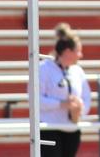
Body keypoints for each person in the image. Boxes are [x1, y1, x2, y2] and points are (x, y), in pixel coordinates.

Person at [39, 23, 91, 157]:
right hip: (49, 128)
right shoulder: (43, 69)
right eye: (78, 51)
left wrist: (79, 109)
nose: (80, 55)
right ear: (67, 51)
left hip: (72, 129)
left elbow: (87, 98)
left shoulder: (78, 71)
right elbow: (36, 100)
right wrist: (62, 104)